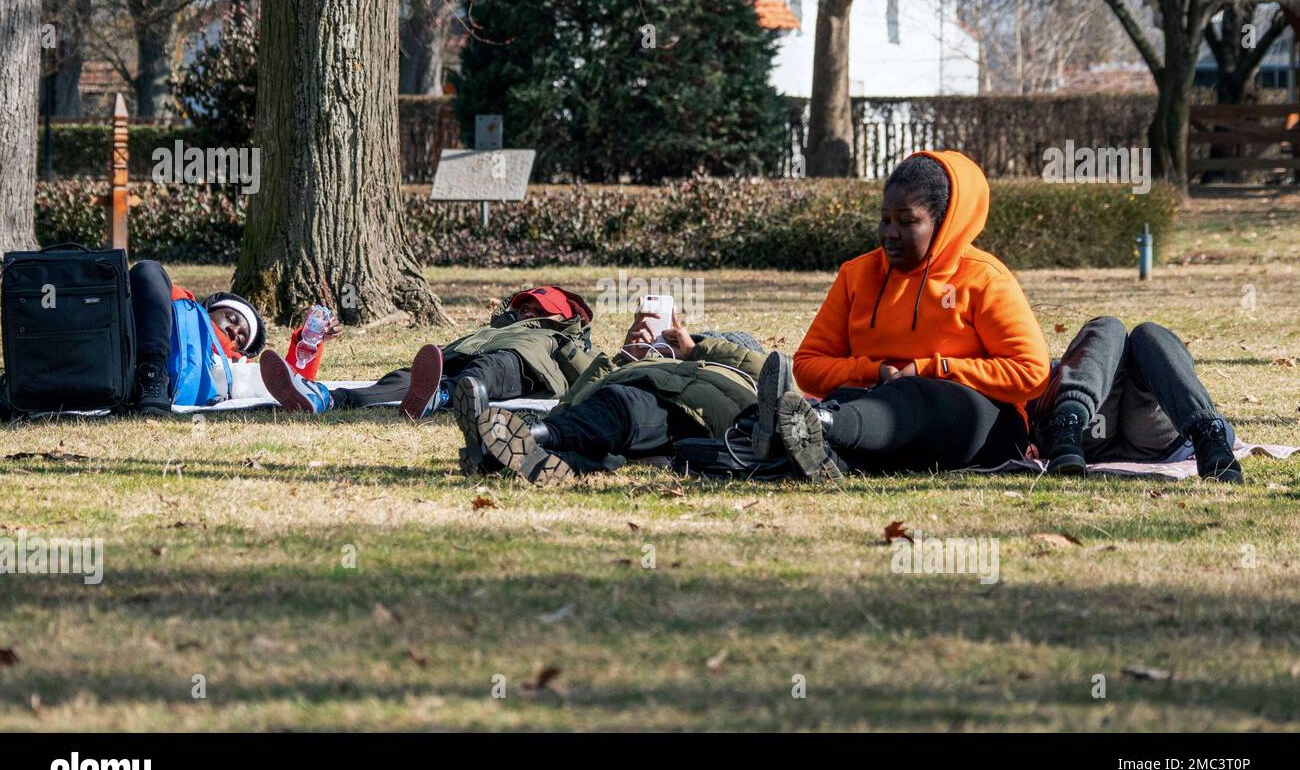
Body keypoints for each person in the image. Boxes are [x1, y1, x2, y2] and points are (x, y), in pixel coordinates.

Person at [760, 150, 1051, 479]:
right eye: (885, 219)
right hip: (878, 410)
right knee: (852, 398)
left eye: (907, 221)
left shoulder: (984, 278)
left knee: (911, 394)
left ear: (943, 224)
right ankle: (823, 453)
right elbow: (809, 365)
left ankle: (820, 423)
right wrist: (875, 371)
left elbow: (1031, 373)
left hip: (981, 427)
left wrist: (932, 369)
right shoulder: (856, 275)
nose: (890, 233)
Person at [257, 287, 597, 460]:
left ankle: (442, 395)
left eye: (538, 309)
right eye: (523, 306)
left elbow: (590, 372)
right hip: (463, 356)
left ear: (561, 317)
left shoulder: (561, 336)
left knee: (484, 370)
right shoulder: (487, 330)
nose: (526, 311)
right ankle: (328, 398)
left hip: (520, 365)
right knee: (402, 378)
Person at [460, 306, 779, 485]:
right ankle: (512, 459)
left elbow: (773, 369)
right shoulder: (656, 364)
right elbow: (574, 402)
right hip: (646, 419)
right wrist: (625, 356)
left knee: (621, 407)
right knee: (601, 442)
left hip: (682, 408)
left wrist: (698, 348)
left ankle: (525, 435)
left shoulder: (741, 373)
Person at [1032, 316, 1242, 482]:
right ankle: (1208, 435)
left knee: (1145, 332)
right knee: (1113, 327)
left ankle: (1069, 423)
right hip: (1144, 439)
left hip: (1095, 435)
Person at [128, 260, 336, 415]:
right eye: (232, 318)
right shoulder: (186, 309)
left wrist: (309, 340)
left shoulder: (237, 365)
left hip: (176, 388)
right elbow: (147, 281)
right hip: (131, 360)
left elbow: (290, 382)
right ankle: (150, 376)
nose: (235, 331)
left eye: (242, 338)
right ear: (208, 310)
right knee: (148, 269)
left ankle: (152, 383)